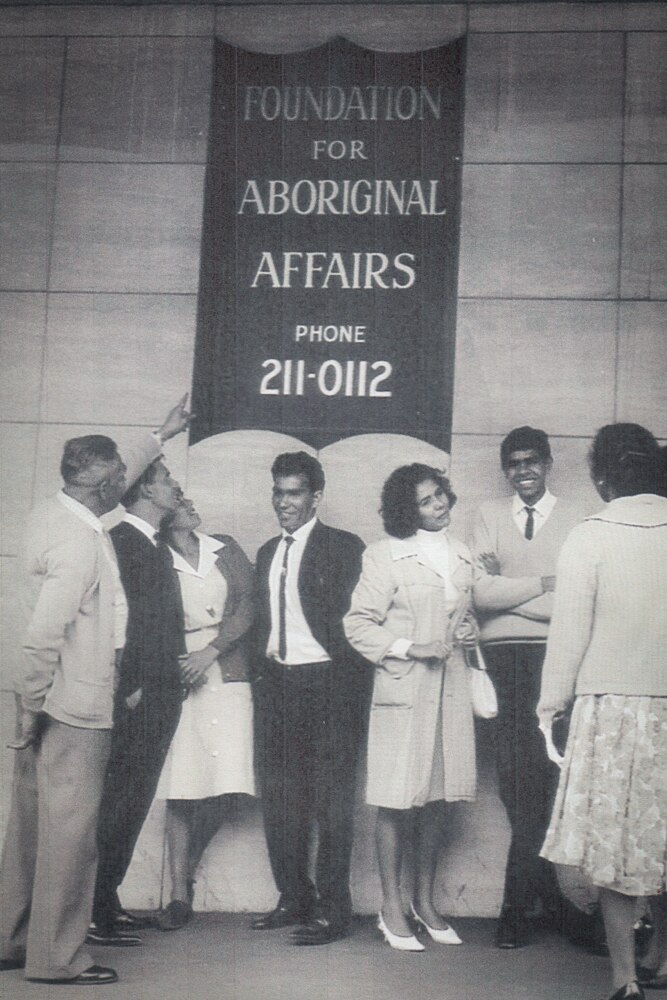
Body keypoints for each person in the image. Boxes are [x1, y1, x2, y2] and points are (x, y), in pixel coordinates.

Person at [0, 398, 191, 985]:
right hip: (73, 708)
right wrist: (33, 709)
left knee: (29, 829)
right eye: (119, 479)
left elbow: (110, 472)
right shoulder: (83, 544)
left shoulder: (49, 515)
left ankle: (11, 939)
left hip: (42, 699)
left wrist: (159, 433)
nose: (125, 485)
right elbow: (42, 637)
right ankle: (56, 958)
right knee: (70, 840)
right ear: (108, 485)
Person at [537, 423, 667, 1000]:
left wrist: (550, 706)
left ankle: (624, 978)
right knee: (661, 836)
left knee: (616, 844)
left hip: (611, 710)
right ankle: (660, 953)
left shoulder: (588, 537)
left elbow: (568, 637)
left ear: (602, 476)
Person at [344, 464, 477, 951]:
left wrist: (467, 631)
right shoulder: (385, 556)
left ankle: (424, 901)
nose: (439, 504)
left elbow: (468, 614)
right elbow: (358, 625)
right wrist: (410, 646)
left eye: (441, 493)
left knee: (438, 799)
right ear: (406, 510)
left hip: (451, 691)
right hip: (405, 691)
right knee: (397, 801)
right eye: (426, 500)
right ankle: (391, 905)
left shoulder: (462, 554)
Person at [470, 426, 589, 949]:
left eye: (532, 462)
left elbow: (577, 602)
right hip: (501, 665)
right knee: (518, 787)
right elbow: (476, 593)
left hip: (556, 661)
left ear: (547, 464)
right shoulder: (487, 517)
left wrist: (506, 592)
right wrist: (543, 583)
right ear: (506, 469)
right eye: (514, 463)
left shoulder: (578, 518)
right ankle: (543, 904)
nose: (524, 472)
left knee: (548, 783)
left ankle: (522, 906)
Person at [250, 451, 369, 945]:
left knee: (331, 802)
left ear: (315, 497)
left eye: (294, 492)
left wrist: (346, 687)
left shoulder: (344, 547)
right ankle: (293, 896)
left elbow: (356, 625)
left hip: (328, 686)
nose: (284, 502)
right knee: (280, 798)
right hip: (276, 687)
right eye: (278, 492)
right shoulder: (265, 553)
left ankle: (332, 909)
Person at [90, 456, 186, 943]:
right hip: (137, 696)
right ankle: (92, 908)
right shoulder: (123, 542)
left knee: (134, 800)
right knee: (119, 800)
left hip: (160, 693)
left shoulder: (153, 543)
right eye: (167, 479)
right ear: (145, 489)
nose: (175, 486)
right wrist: (132, 686)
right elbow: (122, 623)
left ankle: (105, 899)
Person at [154, 498, 256, 931]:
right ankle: (179, 893)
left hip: (228, 672)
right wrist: (181, 662)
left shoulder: (225, 548)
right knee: (183, 787)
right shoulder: (155, 556)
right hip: (182, 676)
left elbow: (250, 605)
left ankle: (187, 865)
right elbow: (150, 621)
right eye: (179, 499)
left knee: (228, 784)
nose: (190, 502)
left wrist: (211, 651)